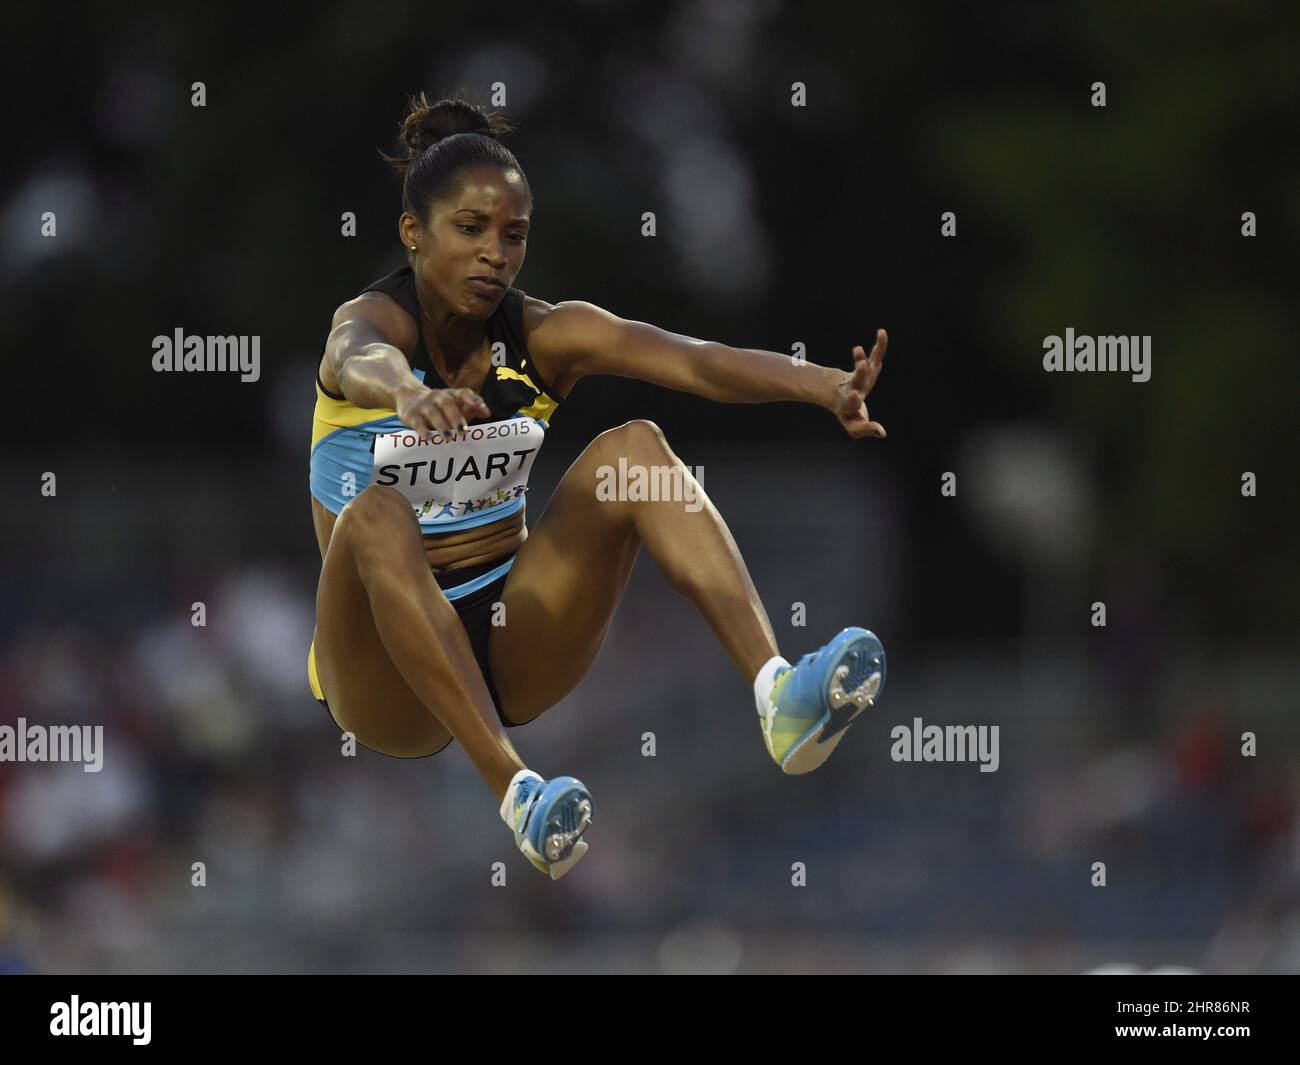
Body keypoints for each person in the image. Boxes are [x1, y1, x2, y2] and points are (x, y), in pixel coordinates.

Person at [306, 91, 889, 880]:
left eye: (512, 235)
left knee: (635, 450)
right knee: (374, 513)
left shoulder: (545, 335)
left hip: (511, 645)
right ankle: (515, 790)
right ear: (414, 232)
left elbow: (693, 358)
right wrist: (410, 395)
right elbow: (355, 358)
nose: (494, 255)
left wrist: (820, 384)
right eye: (469, 230)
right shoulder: (375, 322)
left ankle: (777, 693)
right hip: (382, 683)